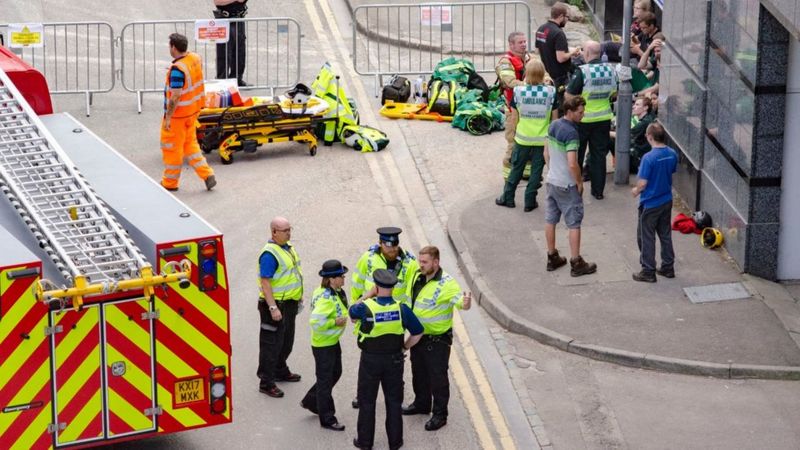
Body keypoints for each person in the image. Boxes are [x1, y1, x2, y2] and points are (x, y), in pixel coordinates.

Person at [350, 269, 423, 450]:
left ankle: (365, 442)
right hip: (394, 360)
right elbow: (418, 331)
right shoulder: (401, 309)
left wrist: (367, 295)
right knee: (394, 402)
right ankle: (395, 442)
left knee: (367, 402)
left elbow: (351, 313)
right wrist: (404, 347)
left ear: (376, 287)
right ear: (393, 287)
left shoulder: (365, 307)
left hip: (370, 361)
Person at [402, 246, 471, 431]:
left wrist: (465, 304)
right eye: (420, 261)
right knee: (418, 372)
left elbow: (459, 301)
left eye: (424, 262)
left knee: (438, 379)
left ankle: (440, 415)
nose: (421, 265)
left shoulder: (447, 284)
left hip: (437, 341)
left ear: (436, 262)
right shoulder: (417, 276)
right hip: (419, 336)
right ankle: (422, 404)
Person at [350, 227, 419, 409]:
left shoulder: (409, 263)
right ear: (380, 244)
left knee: (396, 358)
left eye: (395, 246)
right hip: (370, 316)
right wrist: (357, 306)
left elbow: (414, 291)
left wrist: (408, 316)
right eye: (388, 246)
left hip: (396, 318)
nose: (392, 250)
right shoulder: (368, 259)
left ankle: (396, 396)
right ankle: (362, 395)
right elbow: (357, 282)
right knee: (367, 359)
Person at [543, 96, 597, 277]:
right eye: (580, 112)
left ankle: (552, 256)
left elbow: (546, 152)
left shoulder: (554, 125)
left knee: (551, 219)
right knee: (574, 223)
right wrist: (579, 182)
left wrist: (552, 170)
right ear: (570, 112)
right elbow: (572, 163)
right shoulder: (572, 133)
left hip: (552, 181)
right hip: (567, 184)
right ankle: (576, 262)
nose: (583, 115)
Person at [495, 59, 558, 211]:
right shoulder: (551, 92)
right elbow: (554, 118)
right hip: (542, 139)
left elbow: (515, 117)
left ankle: (508, 197)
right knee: (536, 171)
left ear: (526, 74)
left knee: (516, 167)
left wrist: (514, 134)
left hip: (522, 138)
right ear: (543, 74)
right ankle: (530, 201)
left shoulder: (518, 91)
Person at [161, 33, 216, 192]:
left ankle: (170, 183)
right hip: (192, 112)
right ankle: (207, 174)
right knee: (190, 145)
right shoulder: (194, 58)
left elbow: (175, 96)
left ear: (173, 47)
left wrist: (168, 118)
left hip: (178, 116)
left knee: (172, 148)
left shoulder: (178, 69)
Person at [256, 216, 303, 398]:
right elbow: (265, 282)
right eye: (285, 230)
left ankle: (280, 369)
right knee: (271, 345)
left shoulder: (287, 248)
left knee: (286, 342)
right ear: (274, 232)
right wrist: (273, 308)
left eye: (290, 229)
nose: (289, 233)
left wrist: (297, 298)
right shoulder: (269, 254)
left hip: (289, 304)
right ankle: (266, 382)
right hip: (276, 306)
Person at [565, 40, 618, 200]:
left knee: (578, 155)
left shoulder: (583, 71)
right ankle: (598, 192)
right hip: (603, 120)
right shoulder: (611, 70)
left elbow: (569, 95)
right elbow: (615, 94)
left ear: (587, 53)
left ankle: (575, 189)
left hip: (583, 120)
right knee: (599, 156)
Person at [301, 260, 349, 431]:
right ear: (331, 279)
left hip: (332, 342)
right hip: (324, 346)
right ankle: (327, 418)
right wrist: (334, 322)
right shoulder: (326, 299)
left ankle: (311, 401)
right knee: (325, 381)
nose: (344, 279)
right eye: (341, 276)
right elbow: (315, 322)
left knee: (335, 373)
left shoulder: (329, 291)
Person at [631, 123, 677, 282]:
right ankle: (668, 267)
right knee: (665, 234)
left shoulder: (648, 158)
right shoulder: (672, 153)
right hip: (666, 200)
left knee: (646, 236)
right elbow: (671, 172)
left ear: (649, 137)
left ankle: (648, 270)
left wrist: (635, 191)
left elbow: (642, 183)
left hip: (650, 203)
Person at [496, 31, 531, 177]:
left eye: (524, 42)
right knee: (513, 141)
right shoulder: (506, 62)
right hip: (513, 107)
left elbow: (543, 73)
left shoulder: (529, 58)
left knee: (528, 139)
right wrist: (532, 86)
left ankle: (526, 172)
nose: (524, 45)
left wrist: (546, 81)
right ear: (511, 44)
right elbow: (509, 82)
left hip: (528, 106)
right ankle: (508, 175)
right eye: (520, 42)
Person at [535, 2, 580, 108]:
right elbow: (561, 58)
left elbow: (538, 50)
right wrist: (573, 52)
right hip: (559, 75)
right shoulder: (558, 33)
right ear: (561, 16)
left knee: (551, 103)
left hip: (547, 73)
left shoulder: (541, 29)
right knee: (563, 104)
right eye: (567, 17)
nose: (567, 20)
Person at [610, 96, 656, 173]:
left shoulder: (644, 123)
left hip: (638, 161)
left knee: (609, 139)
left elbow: (624, 136)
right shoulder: (648, 118)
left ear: (645, 108)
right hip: (640, 157)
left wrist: (606, 132)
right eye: (634, 104)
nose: (634, 106)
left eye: (637, 105)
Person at [213, 0, 248, 86]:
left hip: (239, 19)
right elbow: (217, 2)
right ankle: (222, 81)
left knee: (240, 52)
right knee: (224, 53)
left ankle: (237, 79)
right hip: (224, 20)